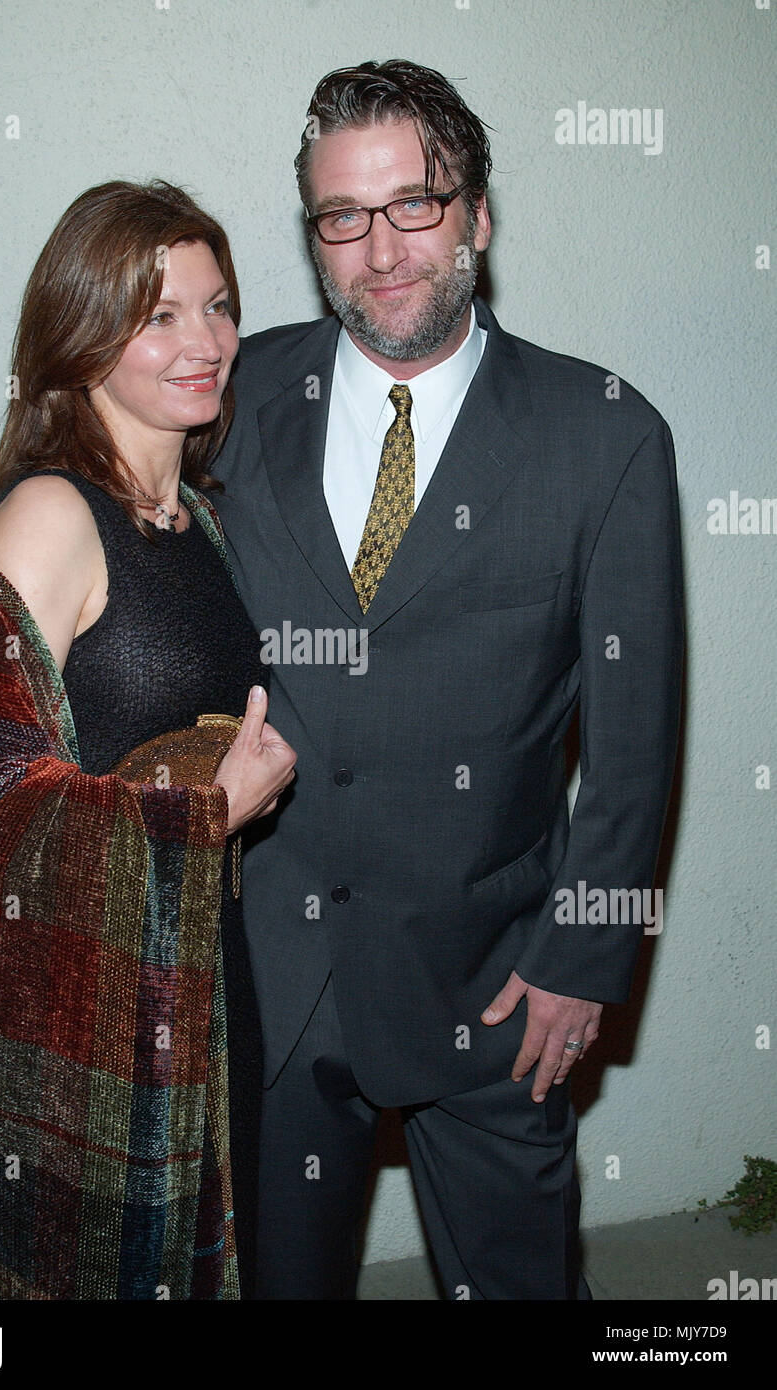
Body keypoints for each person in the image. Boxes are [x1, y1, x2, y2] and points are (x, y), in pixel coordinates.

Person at [210, 60, 685, 1299]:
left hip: (495, 979)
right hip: (269, 979)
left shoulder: (605, 434)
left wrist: (583, 959)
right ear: (311, 234)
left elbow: (633, 745)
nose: (381, 250)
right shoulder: (234, 399)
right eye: (342, 217)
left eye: (415, 203)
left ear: (476, 212)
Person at [0, 179, 296, 1300]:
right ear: (81, 339)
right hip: (84, 1026)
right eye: (158, 314)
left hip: (207, 979)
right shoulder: (51, 513)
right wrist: (203, 813)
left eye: (217, 306)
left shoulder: (199, 519)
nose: (206, 342)